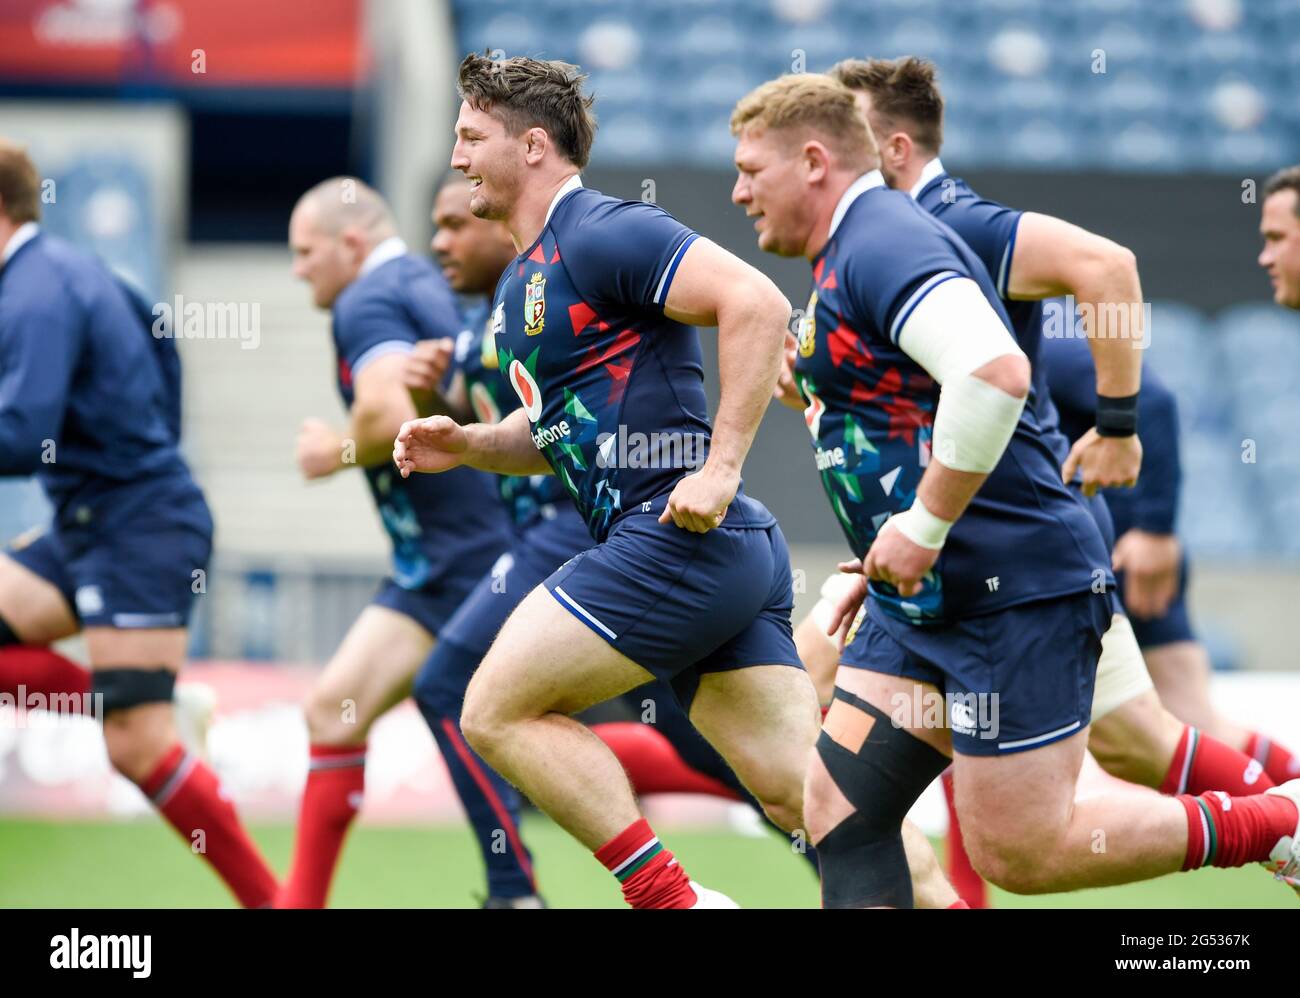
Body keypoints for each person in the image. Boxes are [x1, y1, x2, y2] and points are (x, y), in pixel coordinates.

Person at [729, 73, 1299, 906]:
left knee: (1022, 853)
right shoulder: (853, 252)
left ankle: (1274, 823)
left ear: (815, 162)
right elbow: (896, 410)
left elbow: (997, 371)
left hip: (1007, 589)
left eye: (751, 169)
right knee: (841, 808)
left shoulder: (891, 236)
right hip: (920, 601)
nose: (738, 190)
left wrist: (925, 523)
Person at [393, 52, 823, 909]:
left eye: (472, 137)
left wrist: (722, 464)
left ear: (534, 147)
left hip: (673, 534)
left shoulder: (600, 228)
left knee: (490, 709)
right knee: (808, 802)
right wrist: (472, 444)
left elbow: (760, 305)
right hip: (709, 552)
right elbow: (557, 431)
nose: (456, 157)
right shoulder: (524, 278)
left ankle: (673, 901)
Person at [0, 139, 278, 907]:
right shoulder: (76, 271)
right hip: (95, 517)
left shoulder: (31, 289)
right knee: (130, 714)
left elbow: (21, 436)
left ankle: (274, 903)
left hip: (140, 526)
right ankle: (132, 691)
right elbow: (168, 359)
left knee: (136, 748)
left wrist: (137, 476)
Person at [278, 176, 512, 907]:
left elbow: (383, 420)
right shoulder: (422, 283)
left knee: (551, 737)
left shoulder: (364, 300)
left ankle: (809, 801)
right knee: (335, 706)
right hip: (444, 561)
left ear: (351, 244)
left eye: (304, 250)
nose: (297, 268)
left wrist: (334, 453)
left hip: (465, 558)